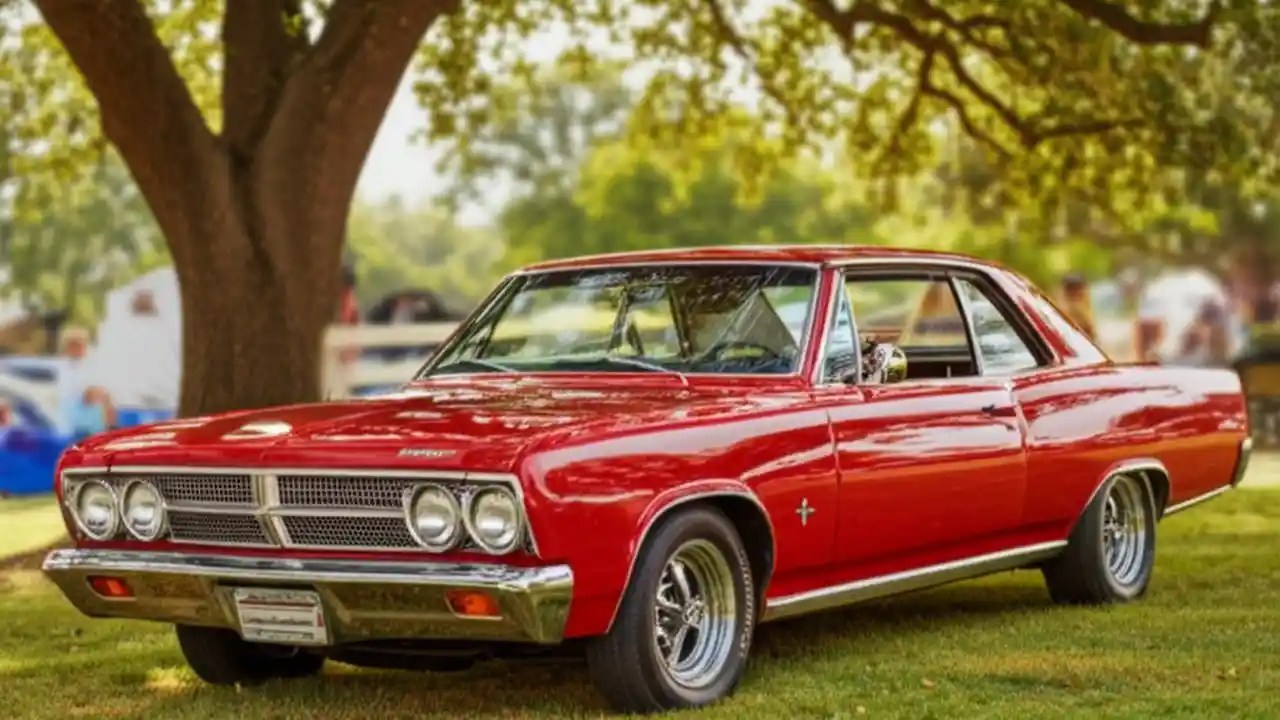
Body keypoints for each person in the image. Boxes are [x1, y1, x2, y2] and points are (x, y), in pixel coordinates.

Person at [1059, 273, 1097, 340]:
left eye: (1078, 289)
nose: (1076, 292)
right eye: (1072, 289)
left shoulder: (1085, 305)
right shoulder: (1061, 309)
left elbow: (1091, 332)